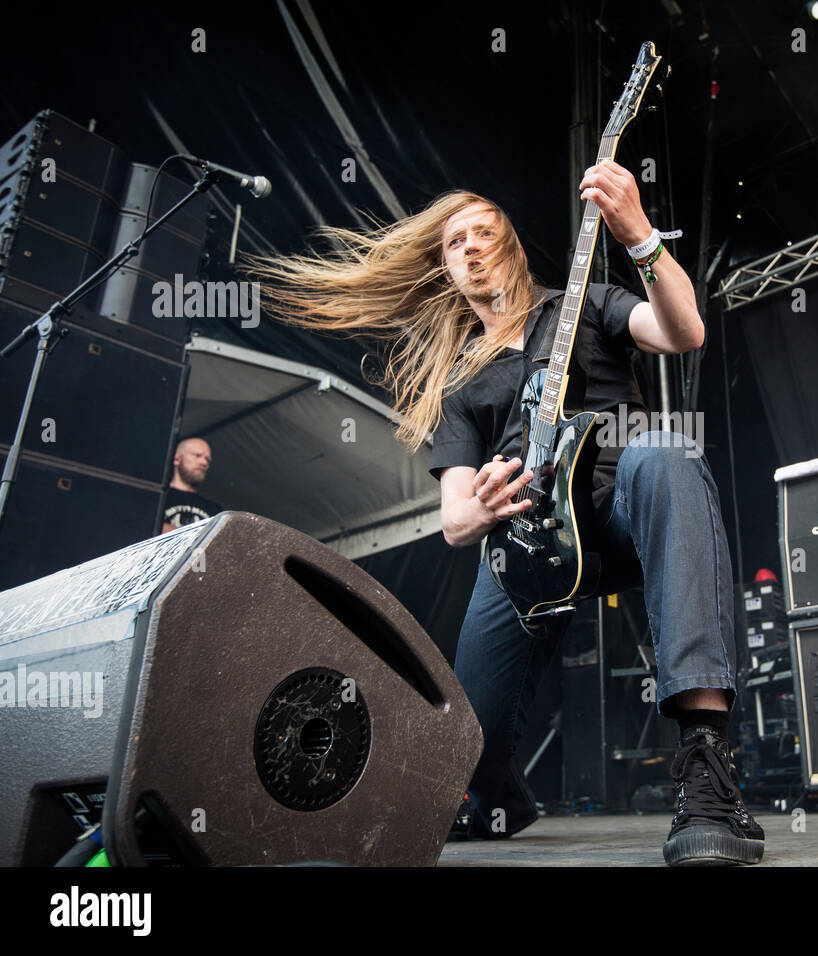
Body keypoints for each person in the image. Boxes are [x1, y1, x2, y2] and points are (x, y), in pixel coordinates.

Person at [251, 159, 763, 866]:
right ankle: (499, 796)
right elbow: (454, 522)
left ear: (513, 247)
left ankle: (707, 768)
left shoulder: (588, 305)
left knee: (666, 450)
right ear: (448, 271)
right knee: (463, 758)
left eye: (483, 232)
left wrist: (639, 235)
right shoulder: (461, 380)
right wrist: (485, 506)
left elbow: (684, 333)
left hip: (622, 516)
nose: (469, 247)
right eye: (454, 242)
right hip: (527, 546)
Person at [160, 436, 222, 532]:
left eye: (208, 460)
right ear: (177, 459)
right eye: (197, 455)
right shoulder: (158, 499)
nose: (204, 463)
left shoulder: (215, 510)